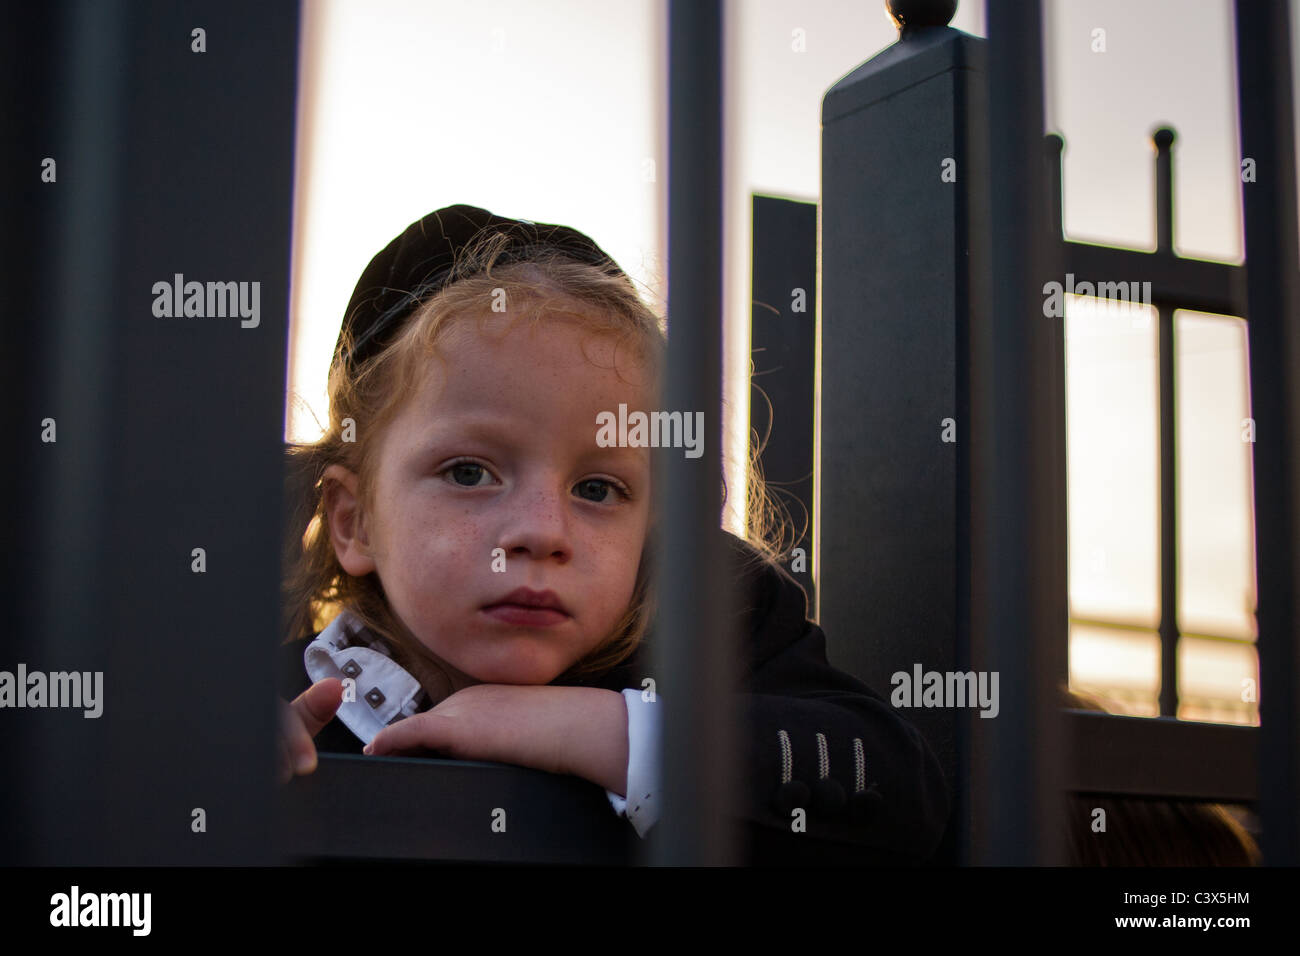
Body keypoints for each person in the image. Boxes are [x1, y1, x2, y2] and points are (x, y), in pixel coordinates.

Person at [277, 204, 950, 864]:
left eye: (598, 489)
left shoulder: (717, 629)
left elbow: (897, 790)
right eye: (470, 472)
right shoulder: (273, 695)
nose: (542, 532)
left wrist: (612, 734)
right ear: (353, 521)